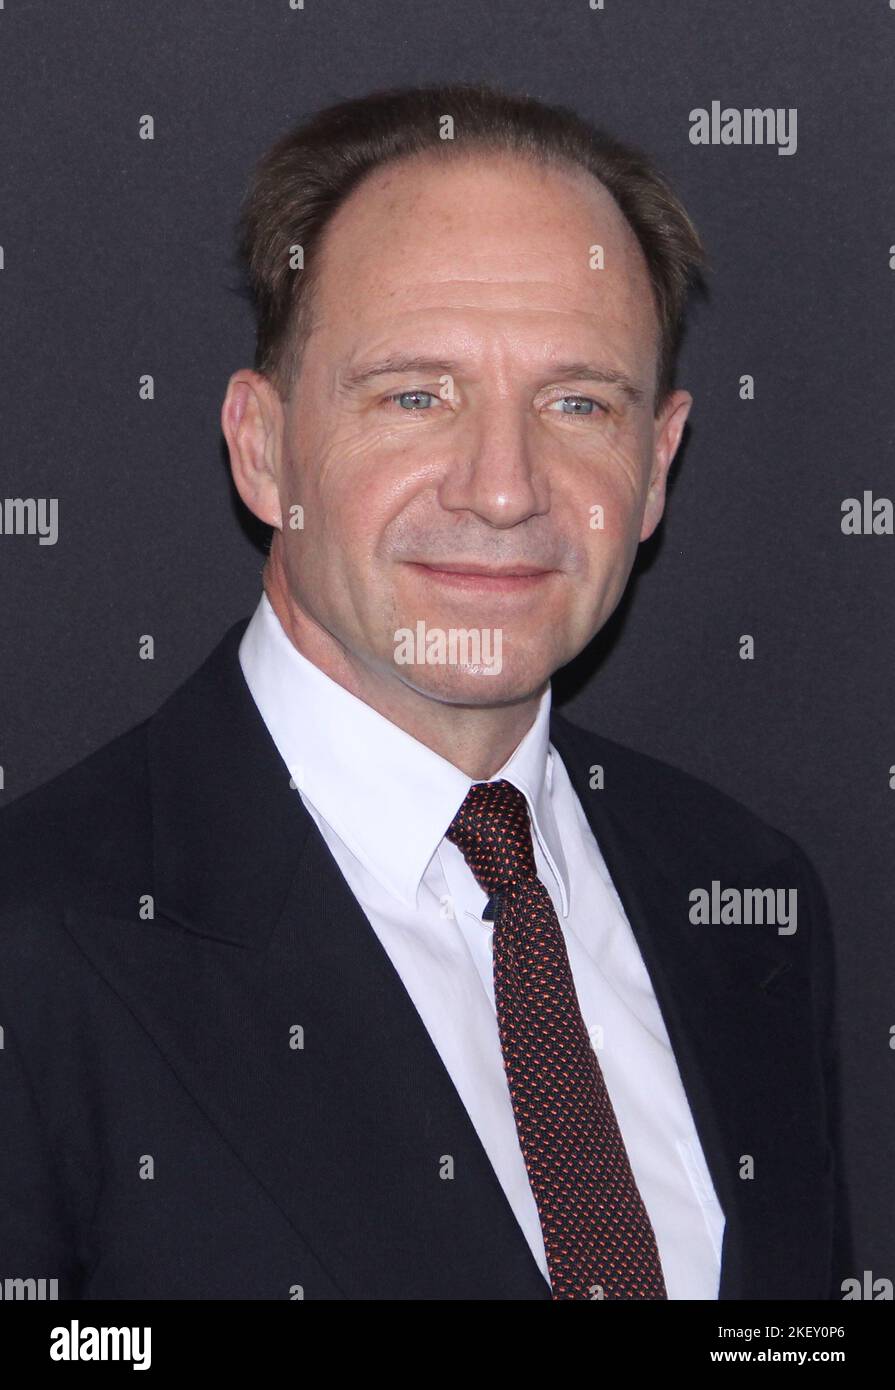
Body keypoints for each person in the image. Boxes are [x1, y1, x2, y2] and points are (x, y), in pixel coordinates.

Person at [0, 81, 852, 1300]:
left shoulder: (747, 903)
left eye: (576, 402)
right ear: (261, 445)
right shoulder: (35, 944)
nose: (502, 488)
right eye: (415, 395)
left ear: (657, 465)